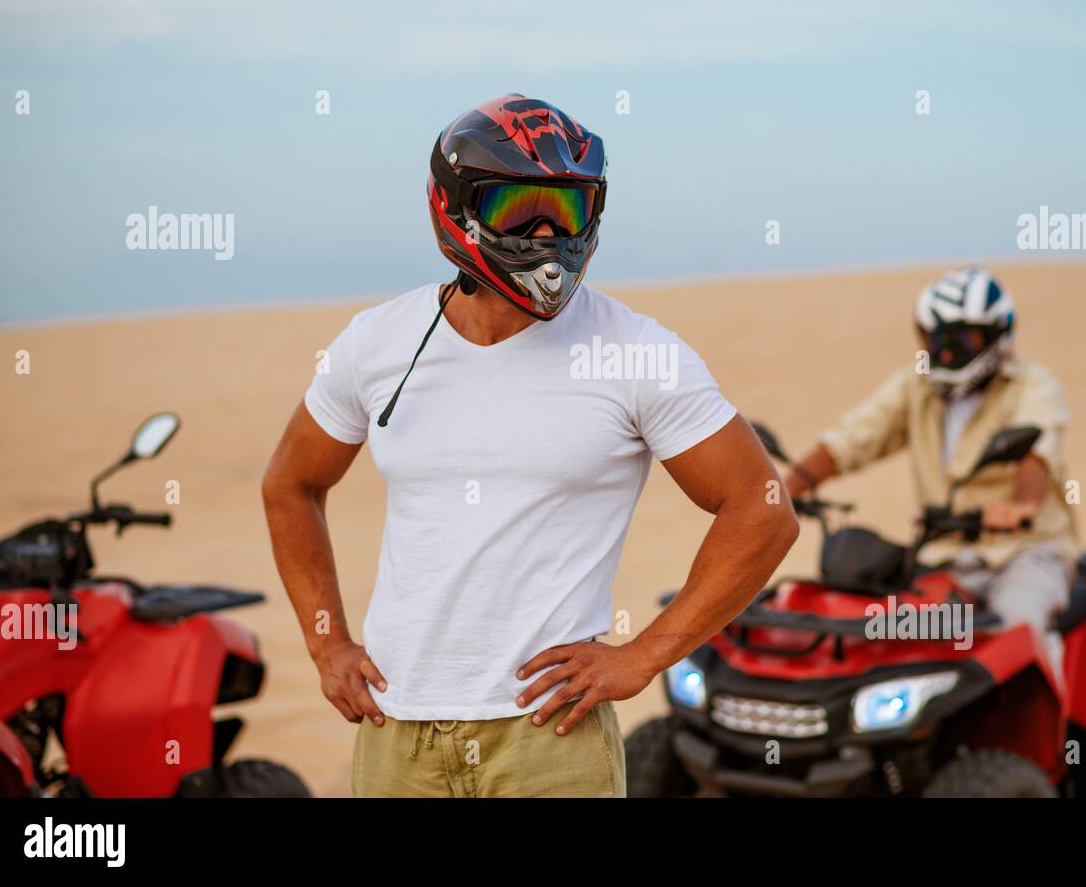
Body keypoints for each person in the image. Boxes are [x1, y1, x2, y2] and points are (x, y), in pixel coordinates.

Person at [261, 94, 798, 797]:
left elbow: (762, 509)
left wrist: (643, 656)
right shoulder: (377, 343)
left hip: (549, 738)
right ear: (452, 207)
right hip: (397, 730)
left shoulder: (636, 352)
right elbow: (290, 486)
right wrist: (325, 642)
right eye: (520, 208)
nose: (547, 231)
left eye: (567, 209)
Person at [783, 267, 1079, 672]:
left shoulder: (1032, 386)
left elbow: (1037, 452)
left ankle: (1045, 735)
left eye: (960, 339)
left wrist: (1022, 507)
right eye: (934, 339)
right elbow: (853, 438)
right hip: (944, 554)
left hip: (1024, 554)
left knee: (1018, 626)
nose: (944, 351)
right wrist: (785, 489)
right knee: (890, 631)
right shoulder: (916, 386)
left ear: (996, 335)